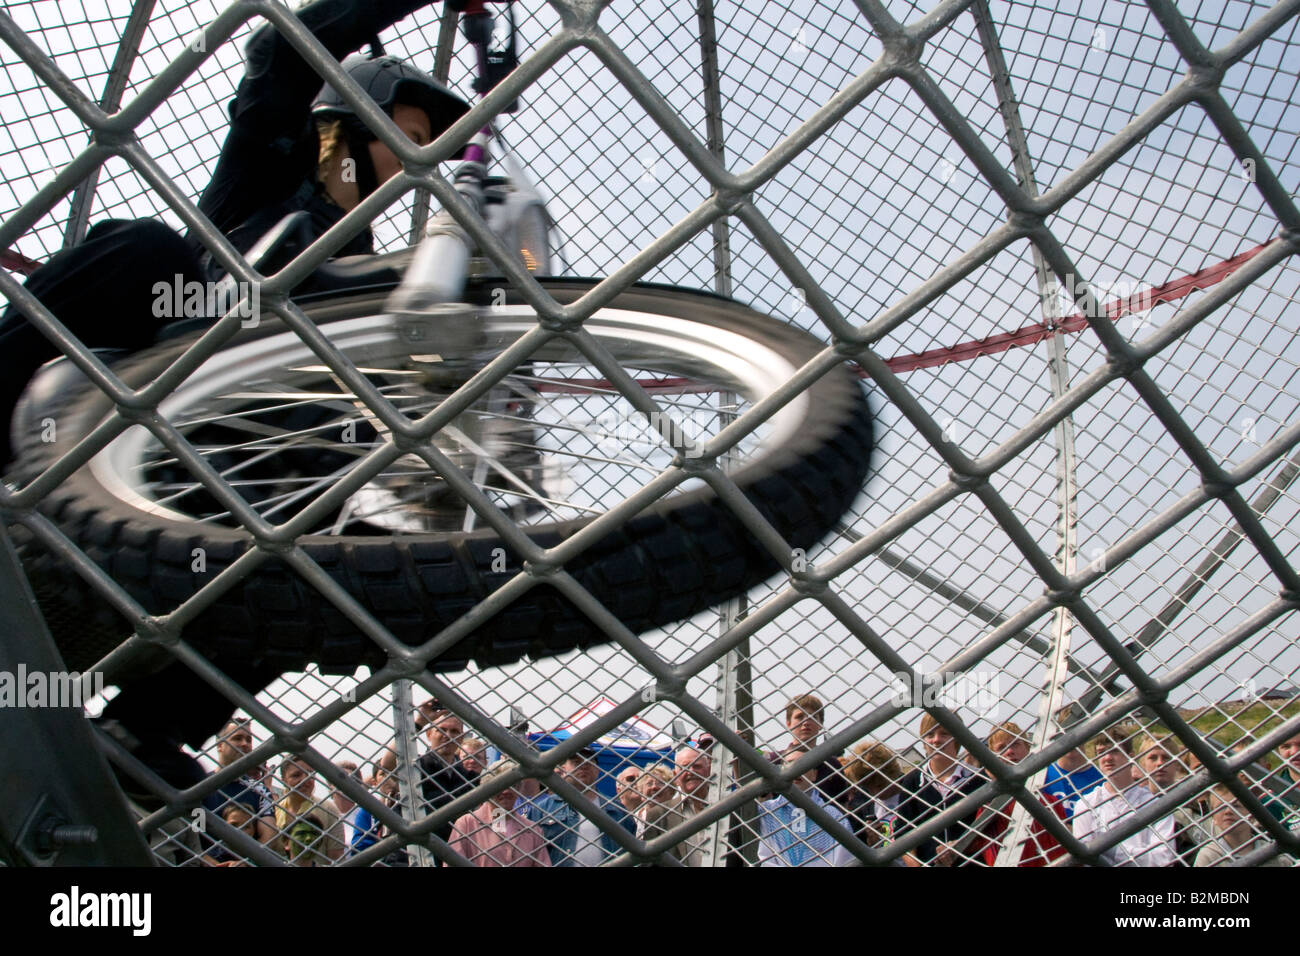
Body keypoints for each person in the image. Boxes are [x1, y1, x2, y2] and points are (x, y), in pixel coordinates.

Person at [4, 0, 472, 800]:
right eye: (413, 127)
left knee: (341, 535)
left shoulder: (360, 274)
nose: (418, 154)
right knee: (145, 250)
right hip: (117, 404)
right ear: (353, 114)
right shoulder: (273, 170)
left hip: (215, 481)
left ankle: (146, 725)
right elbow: (279, 52)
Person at [1072, 728, 1177, 867]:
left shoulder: (1155, 804)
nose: (1107, 758)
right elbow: (1083, 860)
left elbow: (1163, 859)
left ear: (1130, 756)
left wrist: (1110, 849)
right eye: (1101, 753)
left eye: (1114, 751)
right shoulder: (1085, 804)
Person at [892, 713, 985, 865]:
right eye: (930, 734)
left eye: (944, 734)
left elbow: (990, 828)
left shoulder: (977, 779)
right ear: (923, 741)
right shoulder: (913, 781)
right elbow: (903, 836)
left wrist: (962, 844)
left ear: (957, 738)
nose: (936, 740)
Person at [524, 748, 635, 866]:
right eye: (576, 762)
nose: (584, 766)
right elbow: (528, 853)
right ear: (563, 769)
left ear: (597, 770)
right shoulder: (542, 809)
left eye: (589, 762)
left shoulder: (618, 811)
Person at [756, 749, 853, 866]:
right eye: (790, 764)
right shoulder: (766, 811)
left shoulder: (834, 817)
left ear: (814, 775)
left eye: (803, 765)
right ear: (780, 771)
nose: (796, 771)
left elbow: (844, 861)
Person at [449, 759, 550, 867]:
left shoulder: (532, 830)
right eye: (499, 786)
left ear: (519, 790)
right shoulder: (467, 824)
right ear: (487, 790)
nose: (506, 791)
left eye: (512, 786)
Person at [200, 718, 276, 843]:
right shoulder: (199, 787)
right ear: (220, 745)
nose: (245, 744)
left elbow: (269, 837)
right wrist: (210, 862)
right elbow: (193, 835)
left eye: (248, 739)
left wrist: (245, 862)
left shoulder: (260, 790)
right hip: (201, 861)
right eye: (237, 738)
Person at [1194, 780, 1293, 866]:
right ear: (1213, 816)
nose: (1228, 811)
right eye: (1220, 807)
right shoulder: (1208, 856)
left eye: (1236, 806)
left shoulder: (1272, 852)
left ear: (1252, 813)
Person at [274, 756, 348, 865]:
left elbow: (336, 858)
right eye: (296, 775)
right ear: (283, 780)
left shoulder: (328, 809)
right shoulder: (275, 810)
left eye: (310, 774)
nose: (305, 779)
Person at [783, 693, 848, 803]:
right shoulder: (776, 760)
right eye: (799, 717)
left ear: (821, 724)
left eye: (813, 717)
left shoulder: (833, 765)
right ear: (788, 723)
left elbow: (842, 806)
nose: (806, 722)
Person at [839, 740, 906, 847]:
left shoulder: (912, 791)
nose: (876, 793)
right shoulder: (862, 804)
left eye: (880, 785)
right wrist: (871, 841)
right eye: (868, 787)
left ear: (891, 774)